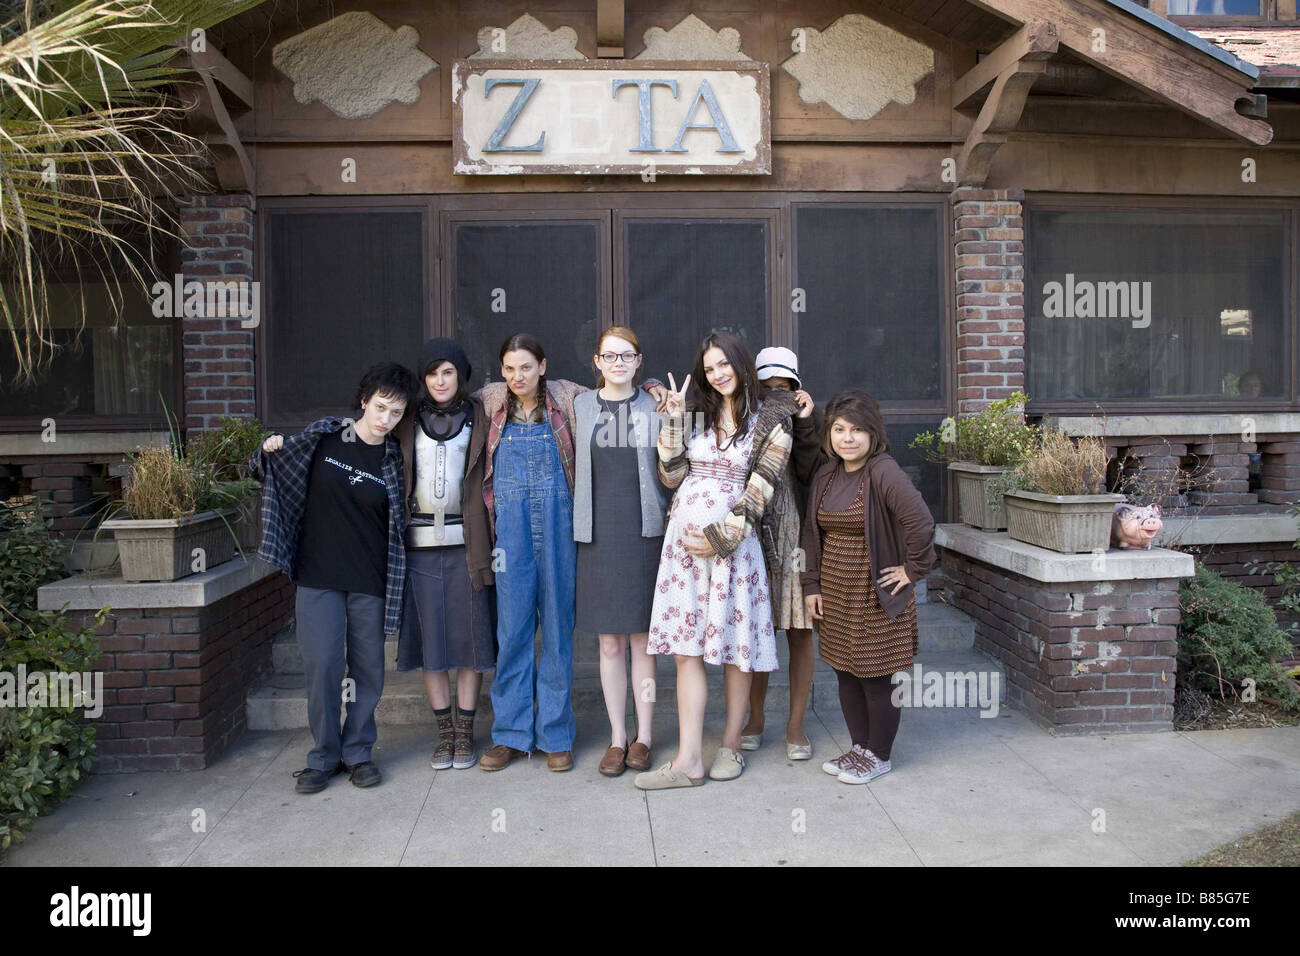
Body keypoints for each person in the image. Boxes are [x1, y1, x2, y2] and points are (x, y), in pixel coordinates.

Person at [475, 333, 665, 773]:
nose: (517, 375)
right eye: (508, 367)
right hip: (512, 528)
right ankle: (510, 735)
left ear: (543, 366)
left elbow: (621, 382)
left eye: (526, 366)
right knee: (513, 629)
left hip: (563, 523)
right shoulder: (488, 403)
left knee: (559, 630)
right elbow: (440, 401)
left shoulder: (569, 397)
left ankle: (555, 736)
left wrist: (653, 383)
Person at [635, 332, 798, 789]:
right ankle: (688, 759)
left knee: (734, 650)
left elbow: (762, 489)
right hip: (683, 551)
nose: (718, 374)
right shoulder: (696, 414)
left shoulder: (772, 418)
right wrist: (670, 425)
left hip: (733, 549)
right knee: (686, 653)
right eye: (710, 368)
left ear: (741, 364)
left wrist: (720, 537)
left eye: (724, 364)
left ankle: (729, 744)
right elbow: (671, 477)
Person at [250, 362, 419, 794]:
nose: (386, 419)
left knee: (368, 672)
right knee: (323, 666)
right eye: (380, 407)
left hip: (370, 578)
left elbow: (399, 525)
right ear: (364, 400)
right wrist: (266, 448)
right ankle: (323, 755)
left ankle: (358, 752)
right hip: (318, 574)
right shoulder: (324, 438)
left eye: (396, 413)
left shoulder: (393, 461)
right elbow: (266, 469)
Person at [800, 390, 936, 784]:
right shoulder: (827, 473)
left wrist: (913, 570)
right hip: (837, 593)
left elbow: (921, 522)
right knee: (845, 672)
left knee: (876, 676)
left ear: (874, 434)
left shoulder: (883, 471)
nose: (847, 438)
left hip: (876, 593)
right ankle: (859, 749)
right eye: (839, 429)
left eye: (858, 430)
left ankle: (879, 755)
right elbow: (811, 534)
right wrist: (811, 585)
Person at [394, 338, 495, 771]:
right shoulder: (405, 419)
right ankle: (444, 733)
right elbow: (362, 425)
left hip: (467, 544)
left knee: (470, 640)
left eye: (448, 371)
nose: (440, 380)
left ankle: (466, 732)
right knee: (429, 640)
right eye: (433, 372)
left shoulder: (482, 414)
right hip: (417, 546)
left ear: (461, 375)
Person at [573, 327, 667, 777]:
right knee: (608, 642)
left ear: (638, 360)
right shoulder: (579, 406)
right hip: (596, 534)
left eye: (626, 356)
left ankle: (644, 737)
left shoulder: (657, 406)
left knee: (642, 642)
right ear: (596, 362)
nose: (617, 364)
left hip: (644, 532)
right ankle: (616, 738)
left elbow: (673, 466)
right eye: (609, 357)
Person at [740, 347, 820, 761]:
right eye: (766, 386)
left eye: (782, 387)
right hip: (753, 527)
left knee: (800, 631)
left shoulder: (808, 418)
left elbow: (812, 473)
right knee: (756, 630)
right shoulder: (742, 415)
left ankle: (795, 725)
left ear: (795, 386)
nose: (775, 394)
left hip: (794, 535)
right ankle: (754, 719)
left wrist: (806, 424)